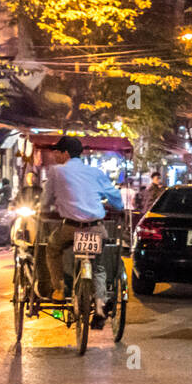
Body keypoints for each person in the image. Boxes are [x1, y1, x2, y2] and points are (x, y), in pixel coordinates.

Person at [40, 135, 123, 325]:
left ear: (66, 154)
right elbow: (116, 198)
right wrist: (116, 207)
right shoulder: (95, 172)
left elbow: (45, 202)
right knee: (99, 266)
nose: (55, 156)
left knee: (52, 247)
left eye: (58, 152)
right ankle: (100, 304)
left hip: (70, 228)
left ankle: (59, 288)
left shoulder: (56, 172)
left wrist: (44, 211)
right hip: (95, 228)